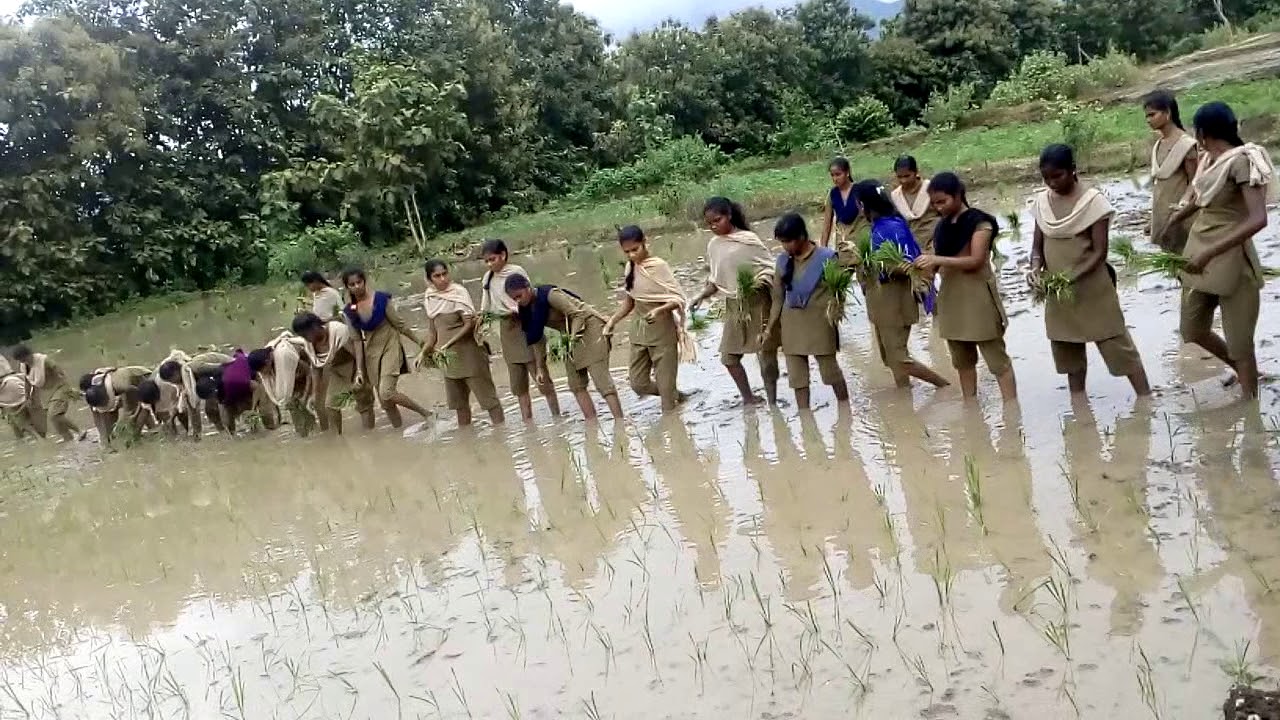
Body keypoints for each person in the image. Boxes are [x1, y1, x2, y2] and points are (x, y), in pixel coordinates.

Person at [1158, 101, 1270, 400]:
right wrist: (1175, 219)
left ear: (1204, 133)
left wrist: (1211, 252)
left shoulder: (1243, 161)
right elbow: (1201, 196)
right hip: (1199, 254)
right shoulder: (1209, 160)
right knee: (1192, 330)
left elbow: (1258, 218)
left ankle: (1250, 406)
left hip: (1232, 260)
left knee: (1240, 342)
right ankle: (1244, 372)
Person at [1030, 144, 1151, 397]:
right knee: (1070, 355)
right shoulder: (1042, 203)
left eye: (1057, 176)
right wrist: (1034, 269)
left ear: (1073, 170)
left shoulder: (1093, 203)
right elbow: (1037, 248)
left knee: (1117, 345)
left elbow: (1099, 253)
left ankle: (1145, 398)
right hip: (1059, 293)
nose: (1051, 183)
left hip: (1092, 289)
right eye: (1046, 177)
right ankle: (1080, 409)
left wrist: (1071, 277)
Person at [916, 172, 1018, 402]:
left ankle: (1012, 413)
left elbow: (975, 261)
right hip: (951, 302)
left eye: (942, 201)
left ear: (958, 195)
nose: (938, 207)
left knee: (997, 362)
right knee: (962, 362)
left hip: (978, 299)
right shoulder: (941, 228)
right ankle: (970, 405)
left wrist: (937, 260)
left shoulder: (980, 223)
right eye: (934, 203)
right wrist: (921, 268)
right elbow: (936, 264)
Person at [850, 181, 950, 389]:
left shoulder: (892, 227)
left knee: (899, 358)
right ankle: (905, 394)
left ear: (863, 204)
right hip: (879, 301)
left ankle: (944, 386)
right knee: (890, 358)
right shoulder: (876, 226)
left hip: (895, 301)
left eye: (858, 203)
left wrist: (874, 264)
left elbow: (908, 264)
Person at [687, 197, 781, 405]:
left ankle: (772, 401)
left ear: (729, 216)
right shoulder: (714, 245)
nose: (713, 226)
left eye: (717, 220)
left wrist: (761, 281)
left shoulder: (749, 240)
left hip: (758, 302)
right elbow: (716, 279)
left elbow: (770, 269)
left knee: (766, 356)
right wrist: (700, 296)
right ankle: (749, 398)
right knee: (729, 358)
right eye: (709, 223)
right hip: (734, 306)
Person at [505, 274, 626, 421]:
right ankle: (591, 423)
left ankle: (620, 424)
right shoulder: (526, 311)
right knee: (575, 384)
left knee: (602, 382)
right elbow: (536, 339)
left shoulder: (550, 295)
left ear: (528, 288)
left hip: (590, 327)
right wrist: (540, 367)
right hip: (570, 336)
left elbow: (578, 315)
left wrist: (571, 338)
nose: (519, 301)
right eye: (515, 299)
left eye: (519, 296)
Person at [763, 213, 850, 410]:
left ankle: (846, 410)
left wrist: (836, 311)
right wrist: (770, 328)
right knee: (797, 378)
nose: (786, 247)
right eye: (782, 242)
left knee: (830, 373)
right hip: (792, 325)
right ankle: (805, 417)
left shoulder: (827, 258)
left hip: (820, 324)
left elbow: (839, 292)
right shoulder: (783, 262)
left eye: (788, 241)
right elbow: (778, 298)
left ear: (802, 236)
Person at [604, 225, 694, 413]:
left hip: (662, 333)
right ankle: (676, 394)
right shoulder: (630, 267)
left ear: (645, 242)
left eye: (635, 250)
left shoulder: (659, 266)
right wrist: (612, 321)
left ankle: (674, 426)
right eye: (626, 252)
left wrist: (660, 310)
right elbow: (629, 302)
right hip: (639, 333)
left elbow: (678, 298)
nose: (631, 255)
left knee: (667, 402)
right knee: (638, 384)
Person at [340, 267, 433, 428]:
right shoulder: (350, 311)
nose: (357, 287)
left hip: (390, 346)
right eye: (352, 284)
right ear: (347, 287)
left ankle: (427, 414)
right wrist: (360, 370)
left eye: (359, 282)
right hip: (371, 354)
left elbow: (400, 325)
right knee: (386, 403)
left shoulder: (381, 300)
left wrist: (420, 343)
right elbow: (357, 341)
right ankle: (399, 432)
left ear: (364, 281)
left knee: (387, 392)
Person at [479, 239, 560, 420]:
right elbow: (485, 307)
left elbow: (528, 300)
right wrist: (480, 323)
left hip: (524, 325)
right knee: (519, 387)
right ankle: (527, 424)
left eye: (493, 259)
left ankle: (557, 417)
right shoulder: (488, 278)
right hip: (506, 330)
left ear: (503, 255)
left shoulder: (516, 273)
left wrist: (518, 312)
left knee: (541, 378)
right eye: (487, 261)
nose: (490, 264)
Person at [421, 259, 504, 427]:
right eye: (437, 276)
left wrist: (448, 344)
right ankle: (466, 439)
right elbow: (433, 332)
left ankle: (501, 433)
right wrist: (423, 353)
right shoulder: (430, 297)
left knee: (489, 401)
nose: (443, 279)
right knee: (459, 405)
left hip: (470, 355)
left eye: (445, 274)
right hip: (449, 361)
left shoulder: (459, 293)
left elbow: (469, 324)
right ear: (430, 279)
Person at [292, 311, 375, 434]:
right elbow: (316, 367)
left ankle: (371, 435)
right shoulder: (309, 343)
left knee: (364, 403)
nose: (305, 338)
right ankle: (337, 437)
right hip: (336, 370)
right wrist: (315, 394)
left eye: (305, 334)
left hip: (355, 365)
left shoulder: (338, 331)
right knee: (330, 405)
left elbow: (357, 353)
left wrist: (360, 372)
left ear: (315, 327)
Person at [1143, 91, 1198, 253]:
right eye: (1147, 116)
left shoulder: (1186, 145)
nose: (1148, 120)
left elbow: (1195, 181)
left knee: (1188, 261)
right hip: (1162, 214)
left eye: (1152, 115)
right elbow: (1159, 186)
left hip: (1181, 215)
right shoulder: (1158, 145)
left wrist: (1183, 204)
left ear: (1167, 113)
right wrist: (1153, 220)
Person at [248, 332, 319, 435]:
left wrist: (306, 396)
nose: (263, 373)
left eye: (263, 370)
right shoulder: (266, 364)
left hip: (310, 372)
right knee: (300, 424)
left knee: (315, 408)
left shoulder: (284, 355)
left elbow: (309, 372)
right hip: (295, 383)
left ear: (267, 361)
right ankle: (307, 436)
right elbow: (273, 391)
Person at [12, 344, 83, 441]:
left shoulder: (43, 360)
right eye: (21, 360)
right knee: (54, 419)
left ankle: (80, 430)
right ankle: (68, 438)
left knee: (54, 415)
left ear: (29, 354)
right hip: (47, 393)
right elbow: (27, 382)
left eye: (24, 359)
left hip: (60, 388)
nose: (23, 362)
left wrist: (68, 389)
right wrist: (27, 397)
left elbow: (60, 371)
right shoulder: (24, 366)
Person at [157, 350, 231, 438]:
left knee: (212, 409)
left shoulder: (196, 367)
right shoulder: (186, 382)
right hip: (215, 379)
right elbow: (193, 408)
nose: (173, 383)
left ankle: (230, 432)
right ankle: (225, 434)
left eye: (171, 380)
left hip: (230, 371)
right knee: (211, 410)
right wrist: (196, 434)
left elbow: (224, 368)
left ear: (176, 373)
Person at [83, 365, 153, 444]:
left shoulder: (121, 386)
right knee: (123, 415)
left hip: (142, 378)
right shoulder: (94, 386)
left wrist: (130, 416)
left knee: (140, 409)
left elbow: (141, 401)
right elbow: (98, 414)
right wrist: (104, 436)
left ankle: (148, 430)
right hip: (126, 384)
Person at [819, 157, 865, 262]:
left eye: (838, 174)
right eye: (832, 175)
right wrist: (822, 250)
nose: (835, 178)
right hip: (843, 243)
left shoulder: (860, 191)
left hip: (861, 242)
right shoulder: (832, 194)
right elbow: (827, 225)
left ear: (847, 173)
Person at [890, 156, 941, 250]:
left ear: (916, 172)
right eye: (899, 177)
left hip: (936, 238)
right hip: (913, 242)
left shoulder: (930, 188)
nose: (903, 181)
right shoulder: (896, 196)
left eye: (907, 176)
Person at [0, 354, 39, 439]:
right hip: (15, 380)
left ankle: (42, 444)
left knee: (22, 423)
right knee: (17, 422)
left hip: (6, 388)